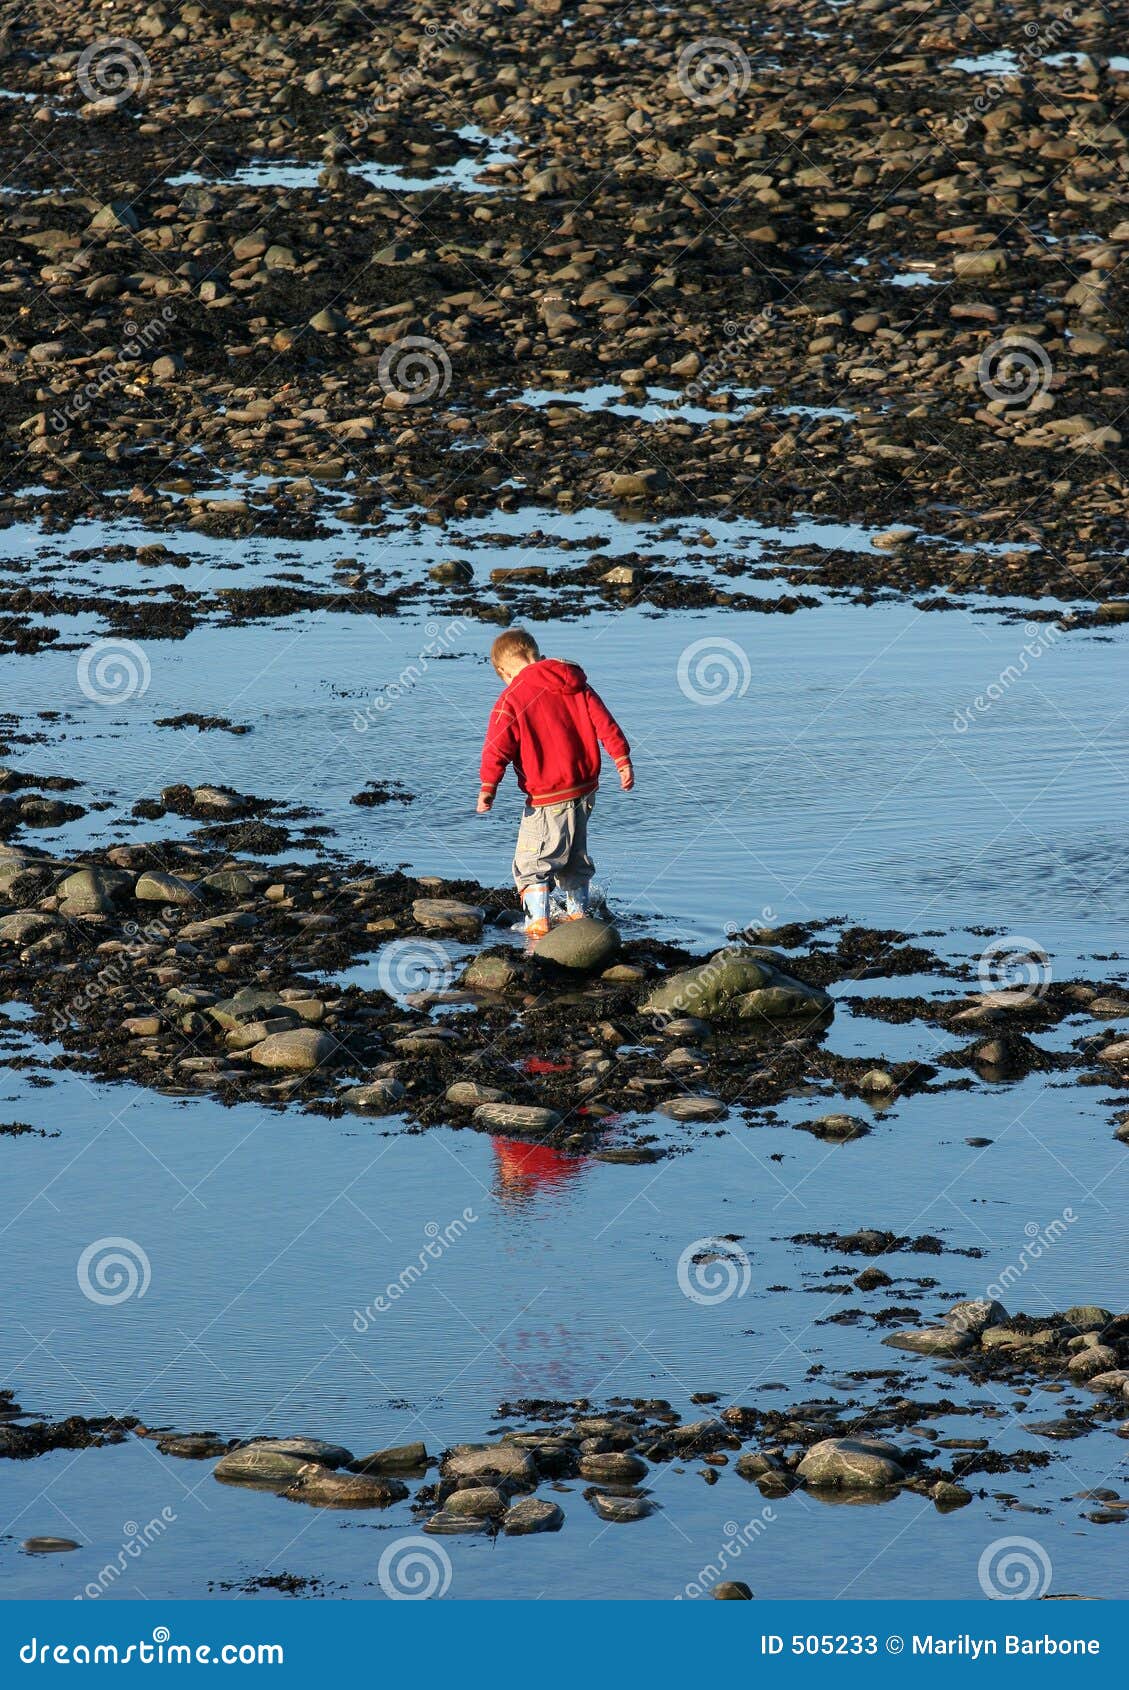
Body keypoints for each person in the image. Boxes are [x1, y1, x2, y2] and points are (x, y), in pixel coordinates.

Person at [476, 628, 634, 939]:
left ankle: (538, 922)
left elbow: (497, 747)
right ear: (537, 654)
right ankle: (578, 913)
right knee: (574, 853)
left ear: (504, 671)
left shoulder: (511, 698)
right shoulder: (575, 684)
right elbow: (606, 724)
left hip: (548, 794)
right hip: (585, 789)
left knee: (532, 860)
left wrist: (488, 787)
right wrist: (622, 760)